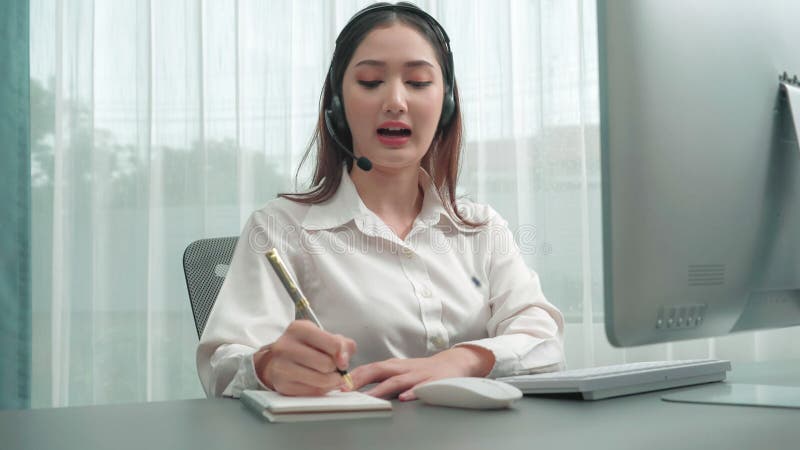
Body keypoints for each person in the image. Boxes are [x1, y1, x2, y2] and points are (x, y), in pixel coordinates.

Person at [197, 2, 565, 401]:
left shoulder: (480, 228)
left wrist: (464, 360)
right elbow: (223, 366)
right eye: (371, 82)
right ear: (337, 106)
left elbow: (543, 341)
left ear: (447, 104)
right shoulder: (280, 228)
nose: (395, 101)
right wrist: (268, 367)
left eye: (419, 82)